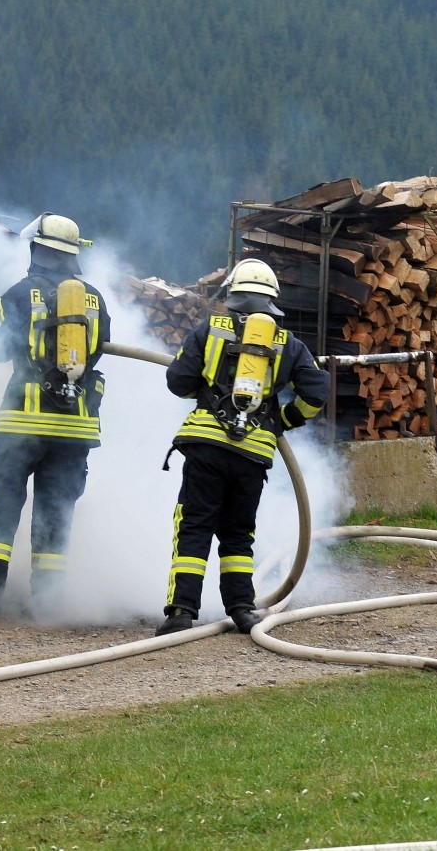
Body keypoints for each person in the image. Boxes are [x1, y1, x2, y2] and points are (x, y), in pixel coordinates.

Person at [154, 258, 330, 636]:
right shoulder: (288, 343)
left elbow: (178, 381)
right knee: (238, 533)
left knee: (194, 526)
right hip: (253, 454)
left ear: (233, 294)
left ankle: (181, 611)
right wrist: (283, 419)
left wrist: (206, 391)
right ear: (272, 300)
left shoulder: (209, 330)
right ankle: (242, 609)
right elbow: (317, 391)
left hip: (207, 447)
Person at [0, 213, 111, 615]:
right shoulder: (94, 300)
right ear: (73, 255)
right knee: (56, 513)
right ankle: (47, 602)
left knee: (0, 506)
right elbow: (100, 350)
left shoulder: (21, 294)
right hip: (75, 429)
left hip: (22, 425)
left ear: (37, 248)